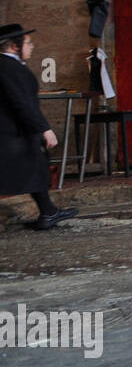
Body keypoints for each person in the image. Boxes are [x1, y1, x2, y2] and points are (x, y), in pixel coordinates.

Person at [0, 24, 77, 230]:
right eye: (27, 42)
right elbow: (21, 102)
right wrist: (43, 128)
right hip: (13, 132)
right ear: (15, 46)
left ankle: (48, 212)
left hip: (18, 131)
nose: (31, 46)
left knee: (36, 168)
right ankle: (48, 212)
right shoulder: (8, 66)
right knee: (27, 167)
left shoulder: (11, 65)